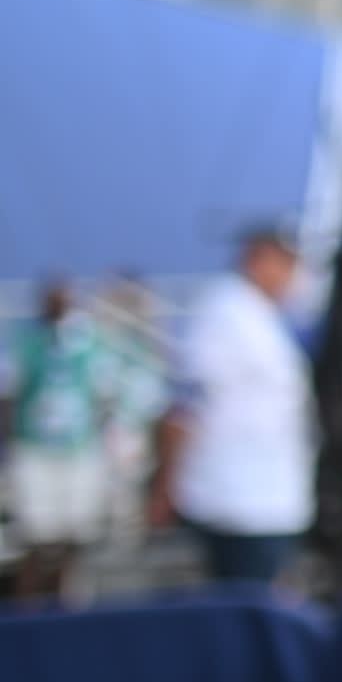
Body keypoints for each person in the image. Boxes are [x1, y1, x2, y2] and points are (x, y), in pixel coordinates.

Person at [153, 226, 315, 588]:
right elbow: (185, 406)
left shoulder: (262, 315)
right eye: (286, 263)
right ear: (258, 259)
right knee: (243, 603)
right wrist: (166, 485)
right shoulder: (223, 313)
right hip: (235, 501)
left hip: (269, 500)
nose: (294, 276)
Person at [5, 283, 121, 603]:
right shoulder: (26, 343)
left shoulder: (89, 345)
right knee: (36, 535)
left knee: (76, 534)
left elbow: (104, 398)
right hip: (34, 448)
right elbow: (10, 396)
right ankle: (27, 606)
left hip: (77, 449)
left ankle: (68, 602)